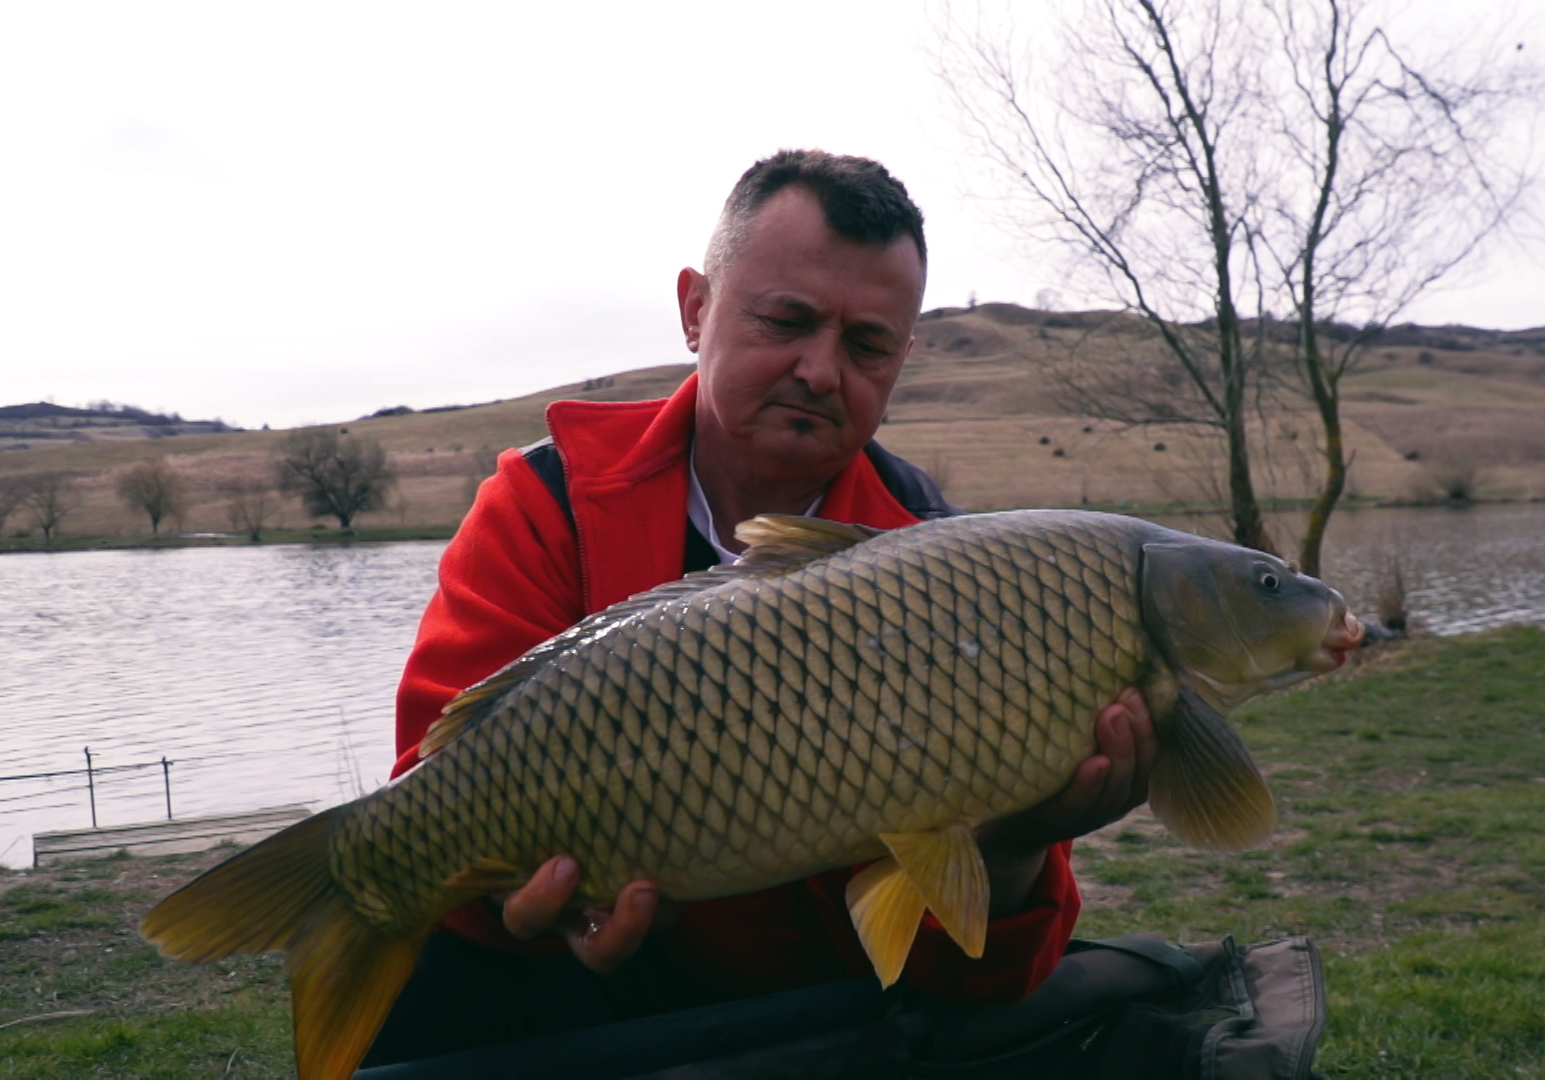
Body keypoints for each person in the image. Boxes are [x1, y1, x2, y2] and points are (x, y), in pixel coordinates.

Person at [365, 150, 1156, 1068]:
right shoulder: (547, 503)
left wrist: (1018, 838)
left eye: (867, 346)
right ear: (696, 310)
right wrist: (515, 909)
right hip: (566, 983)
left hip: (809, 1005)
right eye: (786, 321)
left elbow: (979, 979)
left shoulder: (954, 564)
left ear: (902, 359)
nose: (820, 372)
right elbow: (432, 800)